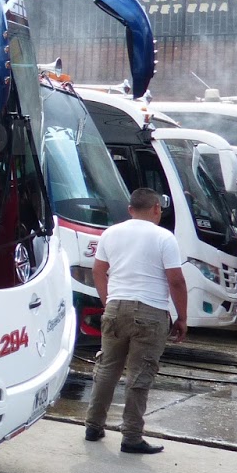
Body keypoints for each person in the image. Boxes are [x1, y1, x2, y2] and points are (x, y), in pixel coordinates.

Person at [83, 187, 187, 455]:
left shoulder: (110, 233)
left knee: (107, 368)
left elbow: (98, 271)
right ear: (156, 209)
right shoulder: (165, 237)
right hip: (150, 313)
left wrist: (109, 302)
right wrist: (182, 318)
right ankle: (131, 437)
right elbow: (175, 280)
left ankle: (93, 426)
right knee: (140, 375)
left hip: (115, 308)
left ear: (130, 210)